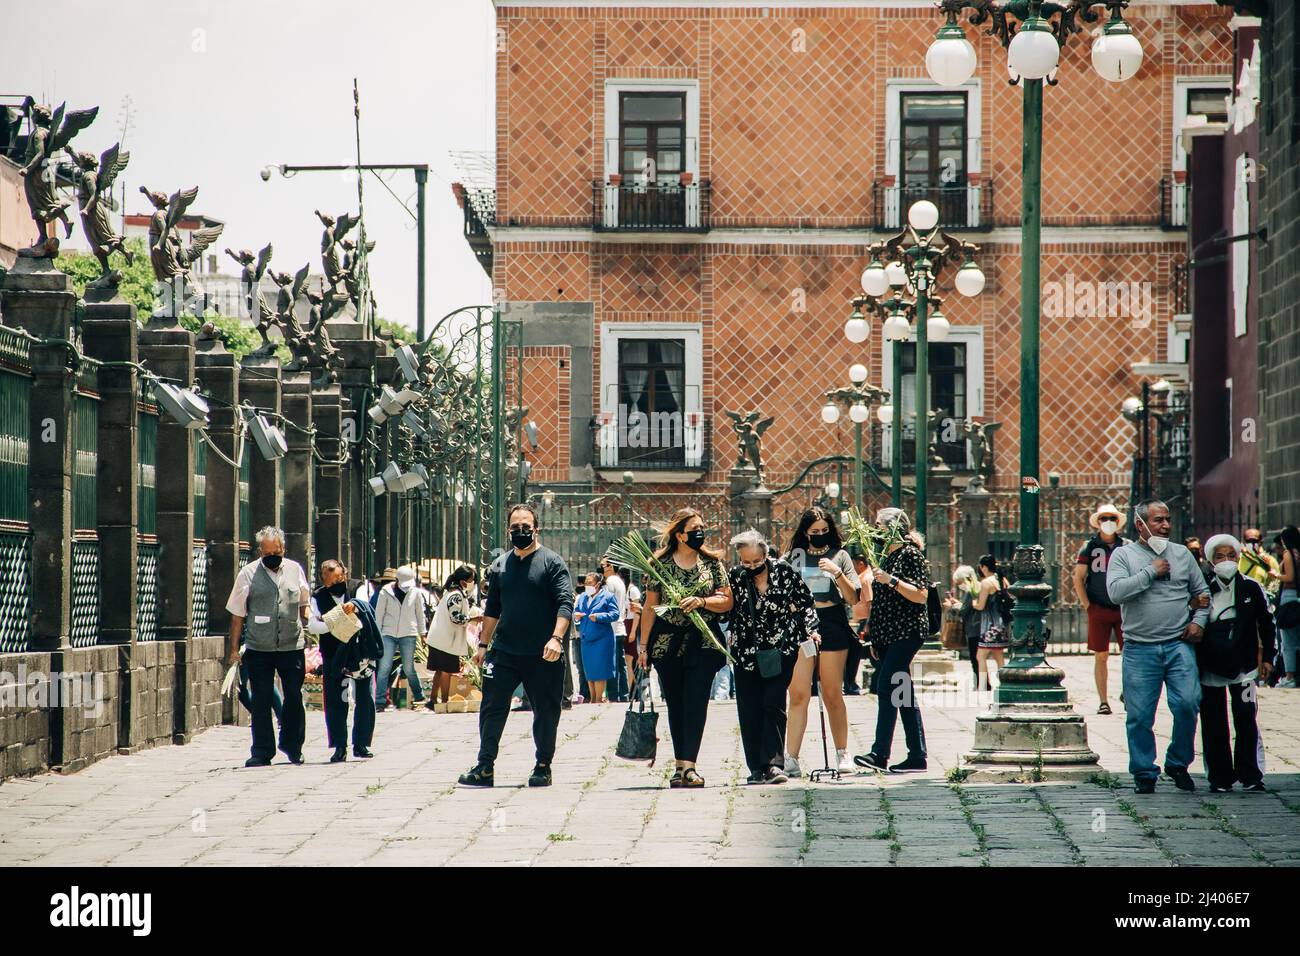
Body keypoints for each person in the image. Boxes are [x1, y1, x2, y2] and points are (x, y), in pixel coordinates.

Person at [459, 504, 573, 788]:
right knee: (491, 708)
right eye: (515, 527)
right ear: (508, 530)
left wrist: (556, 638)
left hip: (543, 653)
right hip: (505, 651)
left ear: (536, 529)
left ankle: (543, 766)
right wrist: (483, 645)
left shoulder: (553, 563)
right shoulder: (500, 565)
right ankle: (485, 766)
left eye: (526, 526)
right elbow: (493, 608)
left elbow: (565, 604)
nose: (520, 531)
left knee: (546, 712)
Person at [1106, 499, 1209, 794]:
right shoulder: (1124, 556)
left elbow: (1202, 594)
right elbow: (1115, 593)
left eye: (1167, 520)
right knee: (1139, 715)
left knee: (1188, 703)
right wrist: (1150, 571)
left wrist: (1198, 622)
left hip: (1178, 645)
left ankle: (1178, 761)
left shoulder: (1182, 555)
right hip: (1140, 649)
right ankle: (1144, 771)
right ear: (1140, 525)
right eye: (1157, 521)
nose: (1165, 525)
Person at [635, 508, 734, 788]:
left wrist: (701, 602)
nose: (700, 533)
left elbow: (727, 600)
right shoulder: (660, 565)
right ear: (679, 535)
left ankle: (690, 766)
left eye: (702, 527)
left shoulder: (712, 563)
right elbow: (650, 607)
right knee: (676, 704)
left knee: (696, 701)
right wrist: (643, 647)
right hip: (667, 643)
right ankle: (679, 766)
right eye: (694, 529)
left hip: (703, 642)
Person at [726, 529, 819, 784]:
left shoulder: (784, 571)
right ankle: (756, 767)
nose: (752, 566)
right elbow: (728, 611)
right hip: (746, 651)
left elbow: (805, 602)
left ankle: (774, 764)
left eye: (757, 561)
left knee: (774, 703)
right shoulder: (735, 576)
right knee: (750, 708)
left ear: (766, 555)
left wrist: (811, 631)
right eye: (746, 562)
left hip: (781, 650)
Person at [783, 507, 861, 776]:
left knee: (831, 692)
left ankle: (843, 752)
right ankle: (790, 757)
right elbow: (779, 591)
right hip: (801, 624)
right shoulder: (794, 557)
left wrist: (837, 574)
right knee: (799, 694)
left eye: (824, 531)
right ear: (805, 532)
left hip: (832, 621)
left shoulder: (841, 556)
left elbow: (854, 598)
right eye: (814, 532)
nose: (819, 536)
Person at [224, 526, 311, 768]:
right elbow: (237, 615)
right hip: (258, 647)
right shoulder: (248, 574)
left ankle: (293, 746)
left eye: (277, 551)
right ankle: (262, 751)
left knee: (293, 696)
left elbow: (304, 601)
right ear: (260, 551)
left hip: (291, 644)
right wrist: (234, 650)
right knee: (261, 699)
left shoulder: (295, 570)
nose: (273, 555)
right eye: (267, 552)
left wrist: (311, 618)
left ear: (283, 549)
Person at [854, 508, 930, 773]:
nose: (875, 530)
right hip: (887, 634)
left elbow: (921, 595)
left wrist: (891, 580)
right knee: (903, 693)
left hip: (907, 632)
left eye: (878, 525)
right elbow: (881, 603)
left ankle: (879, 753)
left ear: (894, 528)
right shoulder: (886, 556)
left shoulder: (910, 554)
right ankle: (917, 756)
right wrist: (874, 634)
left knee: (886, 687)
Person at [1197, 534, 1274, 792]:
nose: (1226, 560)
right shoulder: (1202, 589)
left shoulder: (1251, 588)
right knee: (1213, 721)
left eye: (1231, 555)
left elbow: (1266, 623)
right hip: (1210, 669)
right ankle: (1219, 777)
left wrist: (1269, 658)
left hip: (1246, 670)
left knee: (1246, 717)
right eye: (1220, 556)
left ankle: (1250, 773)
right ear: (1210, 560)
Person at [307, 559, 380, 762]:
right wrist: (339, 617)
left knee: (365, 698)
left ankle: (361, 744)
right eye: (331, 581)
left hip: (360, 651)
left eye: (340, 578)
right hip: (333, 654)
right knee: (335, 701)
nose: (337, 583)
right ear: (324, 580)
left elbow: (363, 607)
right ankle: (339, 746)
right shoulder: (318, 597)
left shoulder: (358, 588)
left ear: (344, 574)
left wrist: (329, 620)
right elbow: (314, 626)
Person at [1073, 503, 1128, 714]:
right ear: (1098, 522)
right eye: (1104, 518)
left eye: (1112, 518)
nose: (1108, 522)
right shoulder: (1089, 547)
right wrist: (1088, 606)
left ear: (1118, 523)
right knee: (1101, 655)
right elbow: (1078, 578)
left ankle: (1128, 692)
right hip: (1099, 607)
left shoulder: (1126, 546)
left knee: (1130, 653)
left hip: (1123, 608)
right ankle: (1103, 701)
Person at [373, 566, 433, 711]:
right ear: (397, 580)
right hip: (388, 632)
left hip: (408, 633)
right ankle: (380, 701)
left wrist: (422, 633)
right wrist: (377, 633)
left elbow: (420, 613)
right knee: (384, 667)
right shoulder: (385, 592)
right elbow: (379, 614)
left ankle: (419, 697)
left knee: (409, 667)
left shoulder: (416, 592)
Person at [424, 566, 483, 711]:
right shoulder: (455, 595)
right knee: (446, 671)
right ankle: (444, 702)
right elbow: (455, 617)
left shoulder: (452, 593)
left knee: (439, 670)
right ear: (463, 581)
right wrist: (474, 618)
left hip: (441, 639)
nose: (472, 583)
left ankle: (433, 700)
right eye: (471, 580)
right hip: (446, 640)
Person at [574, 571, 620, 703]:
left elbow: (615, 614)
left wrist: (599, 617)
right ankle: (593, 698)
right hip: (586, 638)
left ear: (598, 584)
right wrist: (577, 617)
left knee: (600, 670)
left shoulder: (608, 596)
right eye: (586, 583)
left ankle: (599, 699)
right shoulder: (582, 597)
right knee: (589, 670)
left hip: (602, 639)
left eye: (590, 583)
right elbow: (576, 611)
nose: (587, 585)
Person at [971, 555, 1010, 692]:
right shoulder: (1003, 580)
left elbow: (981, 606)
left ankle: (982, 685)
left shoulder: (986, 583)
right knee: (998, 655)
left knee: (980, 656)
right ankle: (1004, 684)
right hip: (1002, 624)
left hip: (989, 626)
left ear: (984, 567)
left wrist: (973, 603)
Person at [599, 556, 630, 702]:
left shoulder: (610, 582)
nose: (601, 568)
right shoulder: (620, 582)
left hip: (612, 627)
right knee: (620, 664)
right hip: (619, 627)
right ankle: (623, 694)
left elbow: (606, 603)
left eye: (603, 565)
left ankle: (613, 694)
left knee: (612, 663)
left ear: (610, 566)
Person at [945, 565, 980, 688]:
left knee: (975, 658)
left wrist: (951, 607)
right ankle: (980, 683)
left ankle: (980, 683)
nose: (960, 585)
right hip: (975, 626)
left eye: (959, 582)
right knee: (977, 657)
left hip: (974, 626)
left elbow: (964, 610)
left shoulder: (972, 590)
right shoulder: (974, 588)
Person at [1275, 526, 1300, 688]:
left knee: (1288, 640)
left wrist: (1276, 574)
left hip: (1289, 596)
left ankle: (1289, 676)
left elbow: (1289, 577)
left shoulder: (1288, 553)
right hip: (1297, 595)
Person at [845, 550, 872, 695]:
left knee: (859, 650)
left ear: (861, 564)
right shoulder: (862, 577)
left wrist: (868, 623)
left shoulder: (866, 579)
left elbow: (870, 602)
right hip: (862, 621)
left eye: (854, 564)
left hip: (865, 622)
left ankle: (854, 684)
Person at [1239, 529, 1281, 599]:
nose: (1252, 543)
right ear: (1244, 542)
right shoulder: (1238, 559)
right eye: (1248, 541)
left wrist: (1269, 596)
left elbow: (1276, 581)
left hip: (1261, 600)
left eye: (1255, 541)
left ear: (1261, 542)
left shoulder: (1270, 561)